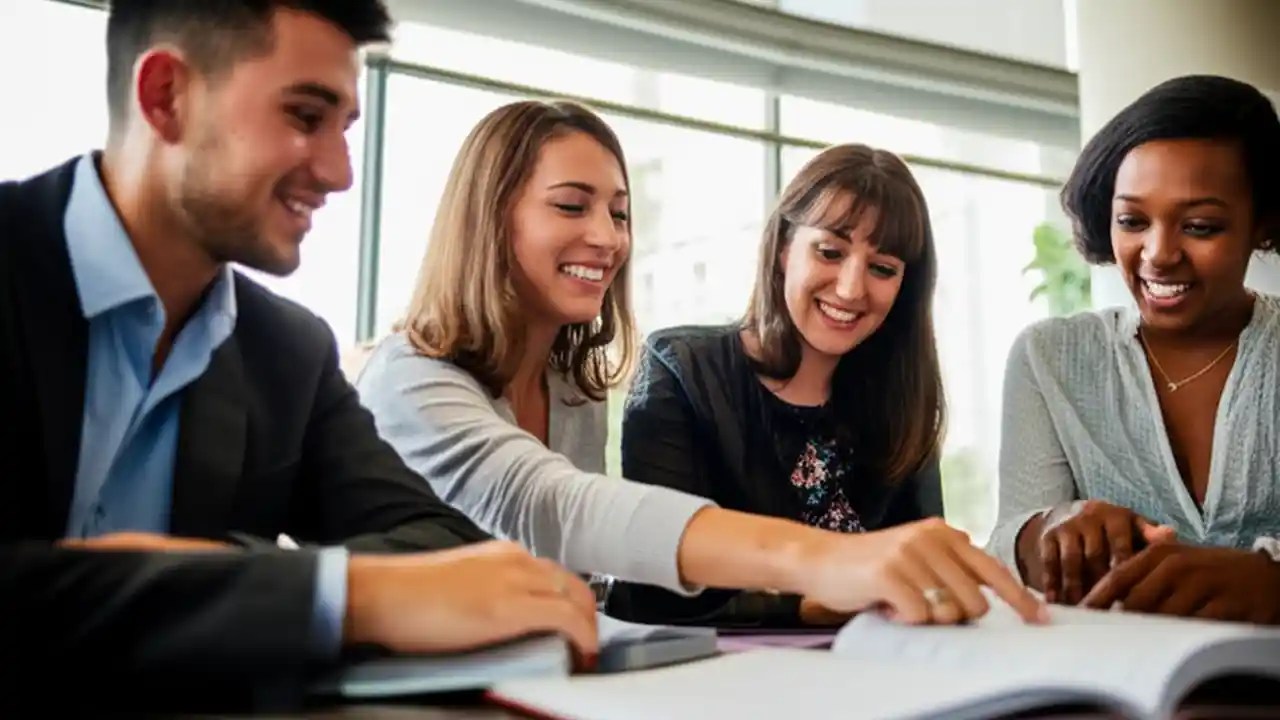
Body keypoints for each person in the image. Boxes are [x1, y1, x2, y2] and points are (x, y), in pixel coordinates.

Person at [0, 1, 597, 709]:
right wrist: (329, 593)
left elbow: (438, 543)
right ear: (166, 96)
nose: (341, 172)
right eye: (304, 118)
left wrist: (228, 577)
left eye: (345, 129)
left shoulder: (286, 351)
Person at [355, 99, 1047, 630]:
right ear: (489, 216)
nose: (606, 237)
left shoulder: (574, 390)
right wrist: (830, 566)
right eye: (572, 206)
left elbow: (585, 582)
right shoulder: (413, 378)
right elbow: (556, 508)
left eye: (620, 214)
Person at [601, 144, 948, 627]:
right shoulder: (683, 370)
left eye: (883, 268)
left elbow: (924, 570)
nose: (851, 288)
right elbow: (654, 588)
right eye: (830, 252)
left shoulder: (903, 403)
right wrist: (811, 602)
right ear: (785, 248)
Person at [987, 74, 1280, 624]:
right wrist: (1047, 530)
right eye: (1132, 221)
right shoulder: (1048, 359)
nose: (1158, 254)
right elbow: (1005, 544)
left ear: (1262, 224)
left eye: (1200, 226)